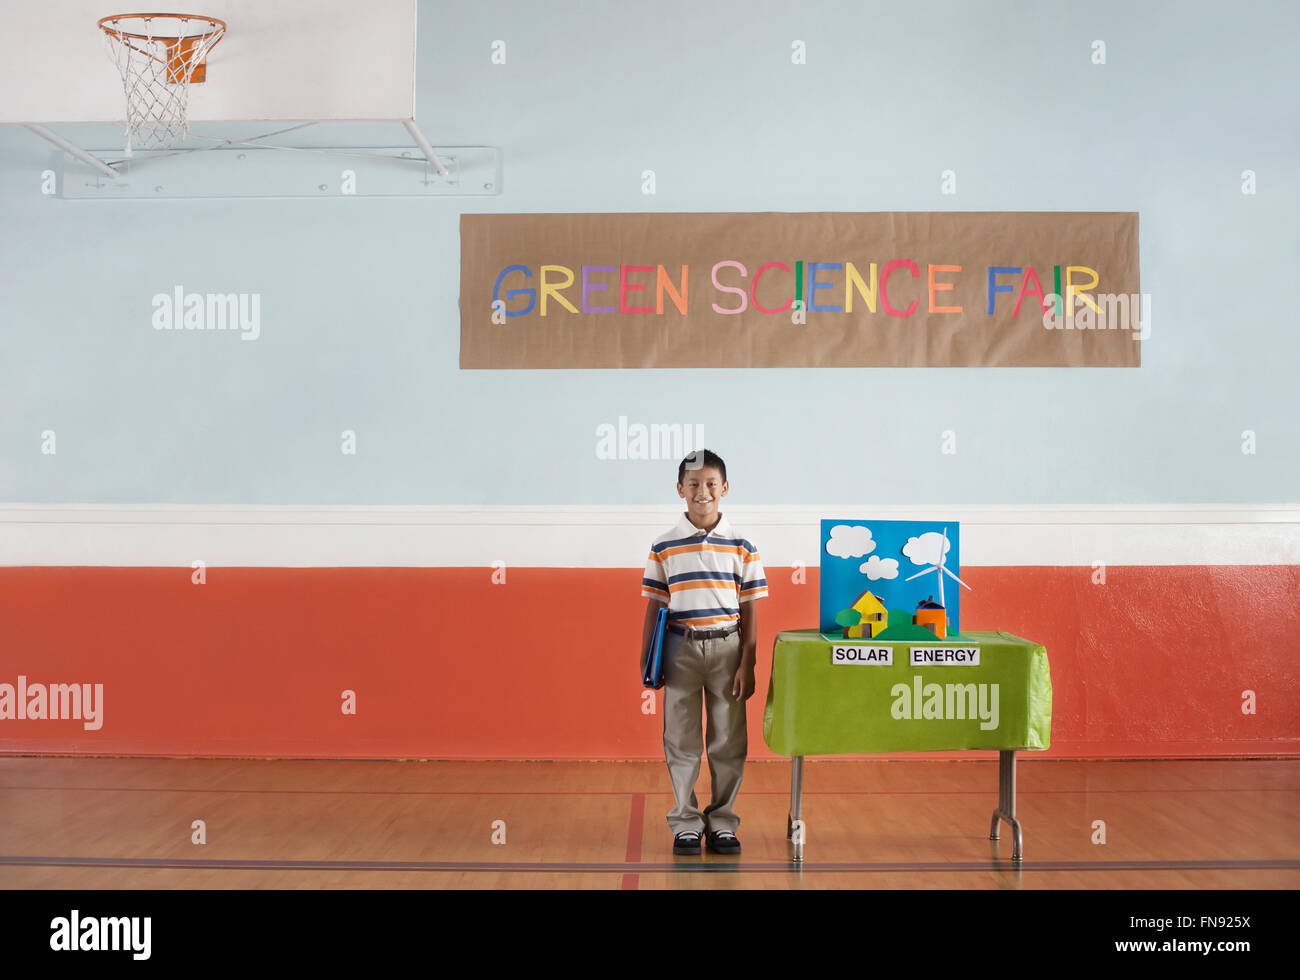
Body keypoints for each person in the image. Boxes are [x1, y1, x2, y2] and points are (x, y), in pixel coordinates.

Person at [639, 449, 767, 855]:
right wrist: (647, 657)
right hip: (680, 648)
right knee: (681, 738)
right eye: (693, 484)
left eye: (711, 484)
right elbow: (655, 605)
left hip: (728, 648)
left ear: (725, 488)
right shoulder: (664, 545)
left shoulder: (742, 545)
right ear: (680, 489)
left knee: (728, 739)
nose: (703, 491)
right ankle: (686, 822)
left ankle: (723, 822)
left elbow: (749, 609)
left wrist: (749, 660)